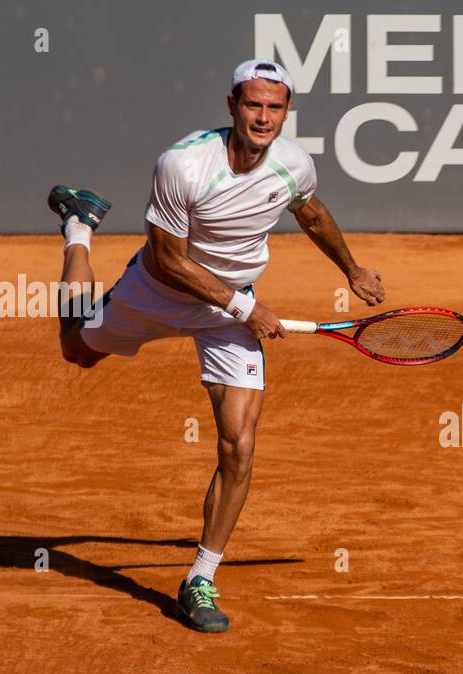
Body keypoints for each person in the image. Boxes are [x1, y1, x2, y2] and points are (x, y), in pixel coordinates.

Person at [46, 59, 385, 633]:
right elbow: (170, 260)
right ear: (230, 105)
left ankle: (200, 577)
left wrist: (350, 268)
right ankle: (79, 227)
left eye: (274, 107)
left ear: (287, 112)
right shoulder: (183, 164)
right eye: (252, 104)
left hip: (231, 311)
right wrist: (246, 308)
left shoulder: (294, 164)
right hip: (160, 290)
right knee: (76, 349)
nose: (263, 117)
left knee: (239, 446)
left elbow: (311, 212)